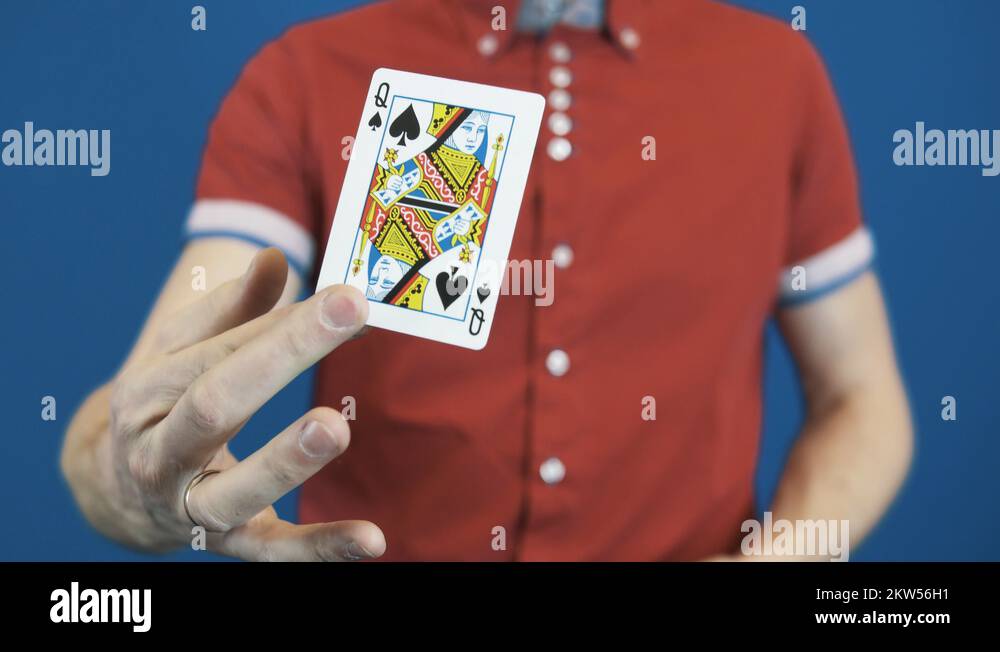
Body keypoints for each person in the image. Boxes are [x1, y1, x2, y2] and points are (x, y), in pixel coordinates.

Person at [60, 0, 913, 561]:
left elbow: (861, 398)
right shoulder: (310, 73)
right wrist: (138, 481)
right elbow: (152, 394)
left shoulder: (774, 75)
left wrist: (781, 556)